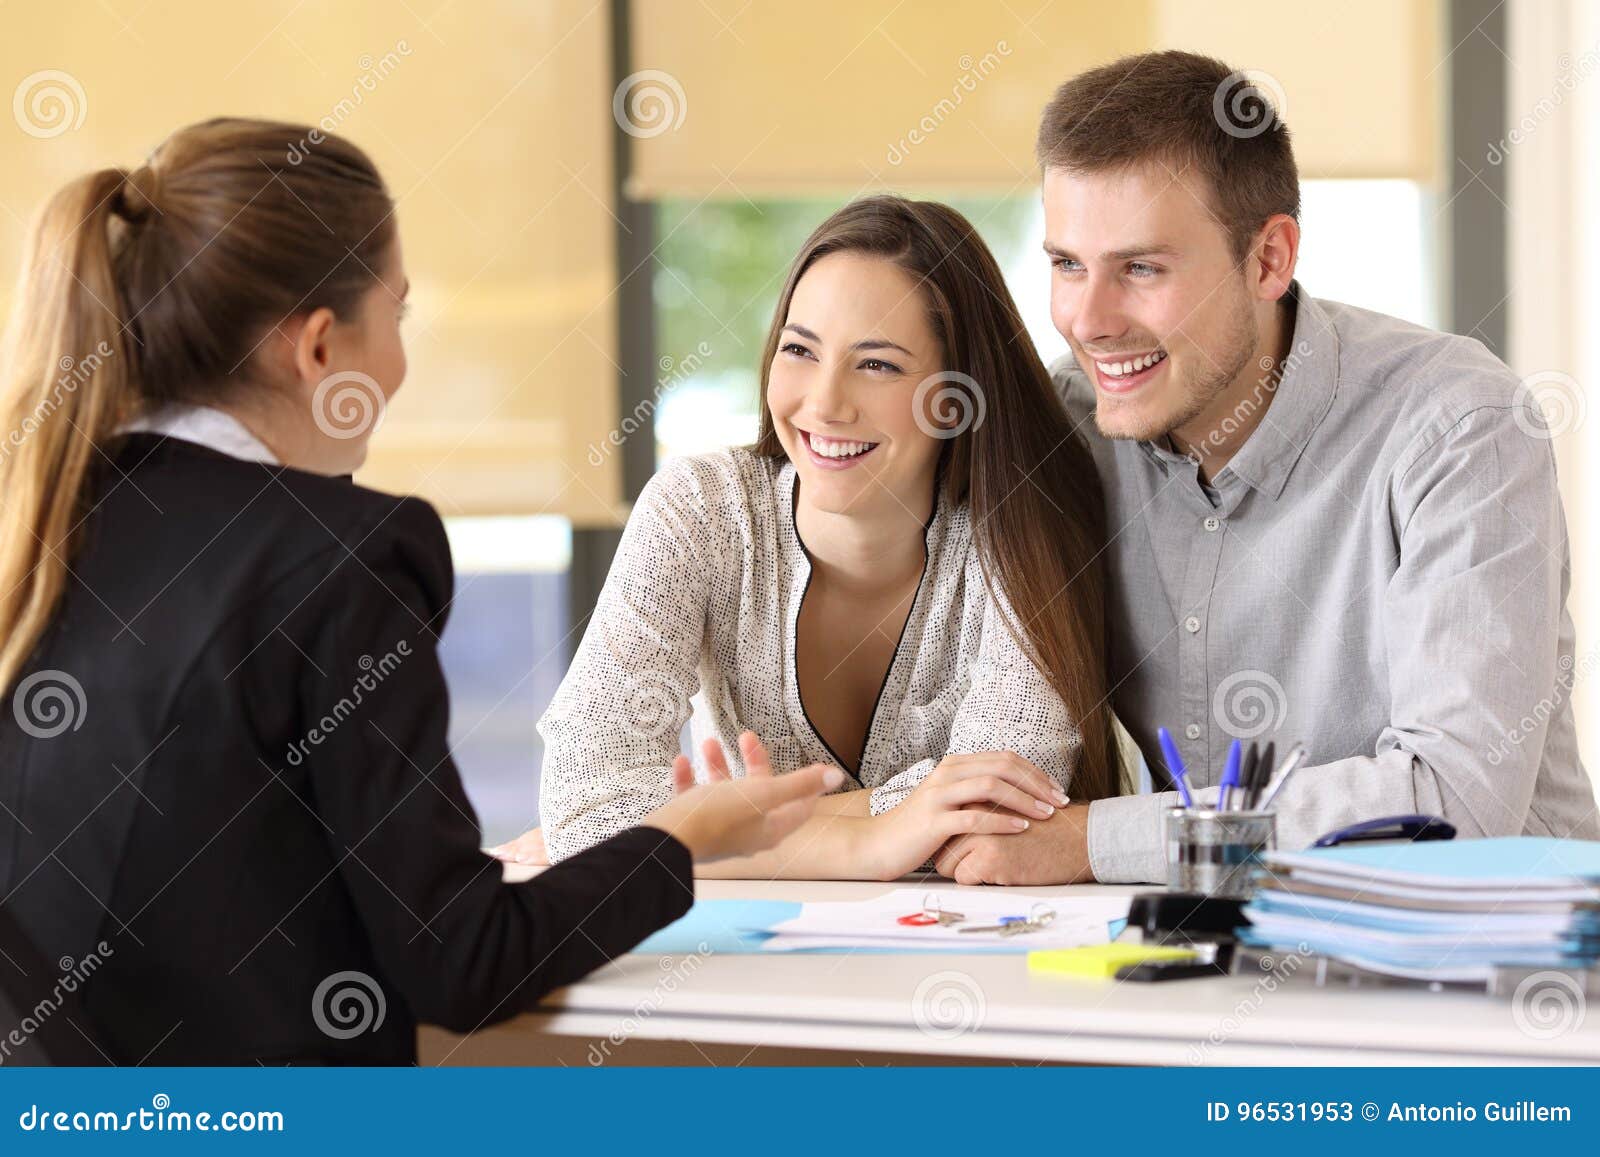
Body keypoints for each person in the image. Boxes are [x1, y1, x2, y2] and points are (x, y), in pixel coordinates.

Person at [0, 118, 840, 1065]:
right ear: (316, 349)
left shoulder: (38, 526)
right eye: (395, 315)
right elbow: (462, 957)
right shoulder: (337, 559)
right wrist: (678, 839)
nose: (400, 361)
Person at [935, 50, 1600, 886]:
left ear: (1268, 260)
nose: (1088, 320)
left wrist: (1093, 841)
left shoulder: (1458, 425)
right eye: (1068, 263)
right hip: (1215, 952)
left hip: (1490, 963)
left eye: (1140, 268)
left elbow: (1453, 804)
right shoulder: (1068, 426)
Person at [510, 195, 1125, 882]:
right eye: (800, 350)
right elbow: (586, 811)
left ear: (958, 395)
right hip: (761, 968)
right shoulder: (702, 510)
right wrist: (871, 837)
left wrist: (704, 829)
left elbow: (1003, 813)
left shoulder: (1023, 530)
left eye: (878, 364)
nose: (824, 403)